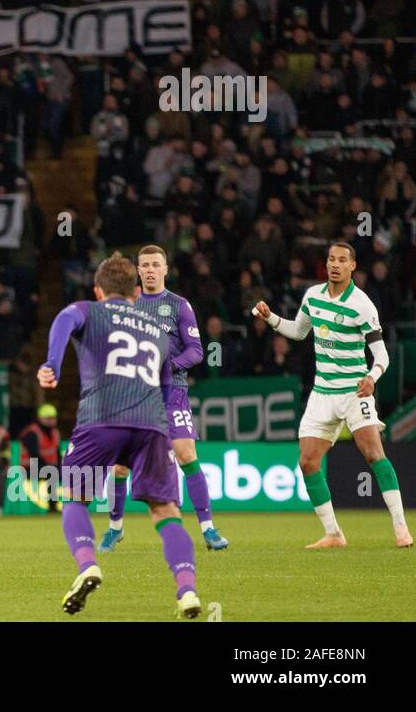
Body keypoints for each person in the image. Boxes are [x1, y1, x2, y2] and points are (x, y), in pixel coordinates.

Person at [40, 252, 202, 619]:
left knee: (73, 496)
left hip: (101, 419)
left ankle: (88, 565)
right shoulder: (156, 330)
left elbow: (65, 318)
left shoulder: (89, 310)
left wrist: (51, 364)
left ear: (99, 290)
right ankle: (187, 590)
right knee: (165, 511)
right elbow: (165, 385)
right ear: (134, 291)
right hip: (151, 425)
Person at [253, 242, 411, 548]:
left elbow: (382, 355)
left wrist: (371, 377)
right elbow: (299, 332)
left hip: (355, 391)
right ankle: (333, 534)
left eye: (342, 260)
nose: (335, 264)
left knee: (373, 454)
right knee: (308, 462)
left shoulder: (362, 304)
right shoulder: (313, 296)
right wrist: (271, 317)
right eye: (331, 259)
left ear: (353, 266)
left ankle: (401, 528)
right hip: (323, 392)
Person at [100, 245, 228, 552]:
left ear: (165, 269)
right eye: (144, 265)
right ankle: (114, 528)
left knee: (186, 455)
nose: (150, 270)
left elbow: (196, 351)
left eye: (156, 265)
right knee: (119, 466)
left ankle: (209, 530)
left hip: (173, 392)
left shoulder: (179, 305)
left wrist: (170, 365)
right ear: (138, 270)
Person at [19, 403, 62, 515]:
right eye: (47, 418)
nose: (50, 421)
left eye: (52, 418)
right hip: (30, 468)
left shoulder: (55, 433)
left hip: (48, 467)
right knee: (52, 472)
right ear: (40, 418)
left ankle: (78, 506)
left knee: (71, 472)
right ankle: (53, 506)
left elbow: (57, 454)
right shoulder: (32, 433)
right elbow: (34, 455)